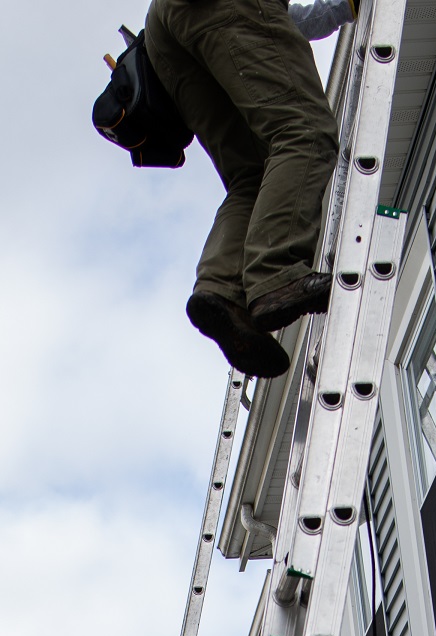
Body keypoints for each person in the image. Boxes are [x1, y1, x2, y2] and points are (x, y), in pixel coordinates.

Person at [144, 0, 354, 378]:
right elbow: (254, 19)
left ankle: (221, 289)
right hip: (221, 10)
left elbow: (265, 27)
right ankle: (276, 273)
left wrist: (341, 9)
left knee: (253, 174)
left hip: (167, 31)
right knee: (304, 132)